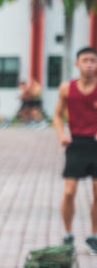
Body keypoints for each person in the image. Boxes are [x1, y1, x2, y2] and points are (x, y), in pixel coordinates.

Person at [52, 46, 97, 254]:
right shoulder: (66, 88)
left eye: (93, 61)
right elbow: (57, 115)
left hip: (95, 143)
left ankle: (94, 236)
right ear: (77, 64)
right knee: (69, 191)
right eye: (85, 60)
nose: (89, 64)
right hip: (76, 143)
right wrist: (62, 135)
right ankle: (68, 234)